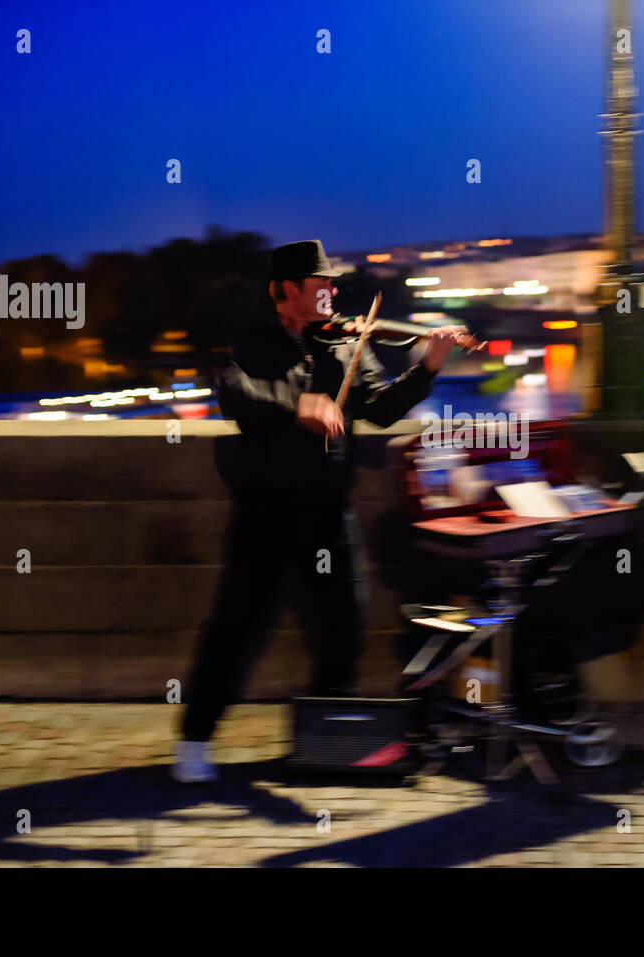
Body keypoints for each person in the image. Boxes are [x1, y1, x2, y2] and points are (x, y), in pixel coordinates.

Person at [173, 239, 467, 783]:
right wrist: (297, 407)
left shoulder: (344, 345)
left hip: (329, 513)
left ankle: (329, 741)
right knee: (237, 629)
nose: (332, 291)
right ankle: (195, 741)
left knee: (343, 627)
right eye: (320, 284)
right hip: (264, 512)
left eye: (331, 283)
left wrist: (429, 364)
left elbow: (380, 410)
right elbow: (235, 394)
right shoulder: (254, 340)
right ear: (289, 290)